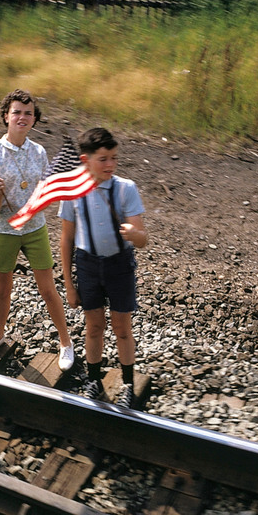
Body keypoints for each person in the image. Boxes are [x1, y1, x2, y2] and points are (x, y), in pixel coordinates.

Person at [0, 89, 75, 370]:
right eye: (16, 112)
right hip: (2, 229)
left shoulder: (39, 152)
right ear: (6, 116)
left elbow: (45, 191)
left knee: (47, 288)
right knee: (3, 288)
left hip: (34, 228)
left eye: (28, 113)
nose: (22, 117)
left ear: (34, 120)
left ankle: (66, 343)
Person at [59, 127, 148, 409]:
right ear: (86, 160)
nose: (110, 165)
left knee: (122, 328)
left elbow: (143, 239)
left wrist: (134, 234)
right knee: (93, 326)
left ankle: (128, 384)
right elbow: (66, 239)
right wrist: (69, 285)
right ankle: (93, 379)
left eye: (114, 158)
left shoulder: (125, 189)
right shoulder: (72, 192)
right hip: (87, 265)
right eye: (103, 159)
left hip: (119, 265)